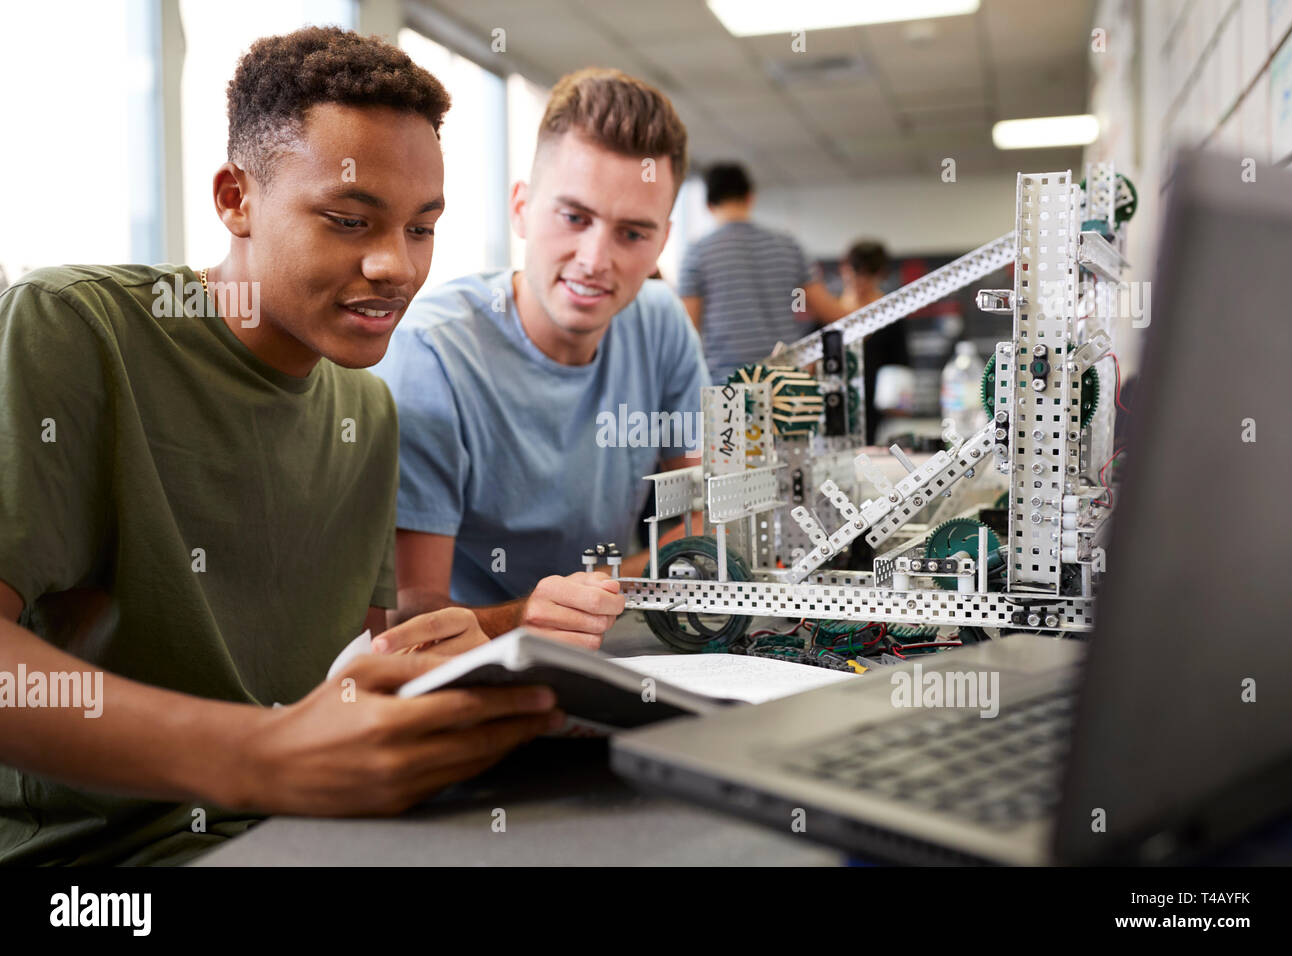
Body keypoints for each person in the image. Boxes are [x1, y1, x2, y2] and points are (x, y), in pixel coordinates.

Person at [0, 27, 563, 866]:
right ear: (235, 199)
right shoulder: (75, 327)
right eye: (348, 220)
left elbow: (349, 676)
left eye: (421, 228)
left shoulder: (366, 412)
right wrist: (263, 758)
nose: (395, 266)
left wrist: (484, 648)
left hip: (314, 837)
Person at [370, 68, 709, 651]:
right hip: (477, 676)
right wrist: (529, 616)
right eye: (574, 218)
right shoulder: (433, 354)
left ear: (661, 242)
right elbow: (409, 623)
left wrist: (597, 594)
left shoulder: (661, 321)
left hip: (617, 648)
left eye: (632, 233)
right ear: (523, 208)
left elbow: (702, 521)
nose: (594, 259)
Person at [678, 162, 847, 384]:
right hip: (786, 384)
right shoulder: (789, 246)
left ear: (709, 205)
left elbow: (687, 333)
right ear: (750, 197)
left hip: (729, 388)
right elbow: (832, 314)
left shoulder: (697, 253)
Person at [839, 239, 909, 444]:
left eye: (867, 276)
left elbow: (900, 364)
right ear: (844, 270)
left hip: (876, 414)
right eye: (855, 274)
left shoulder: (891, 314)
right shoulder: (830, 313)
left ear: (880, 275)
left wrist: (898, 403)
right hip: (835, 407)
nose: (860, 282)